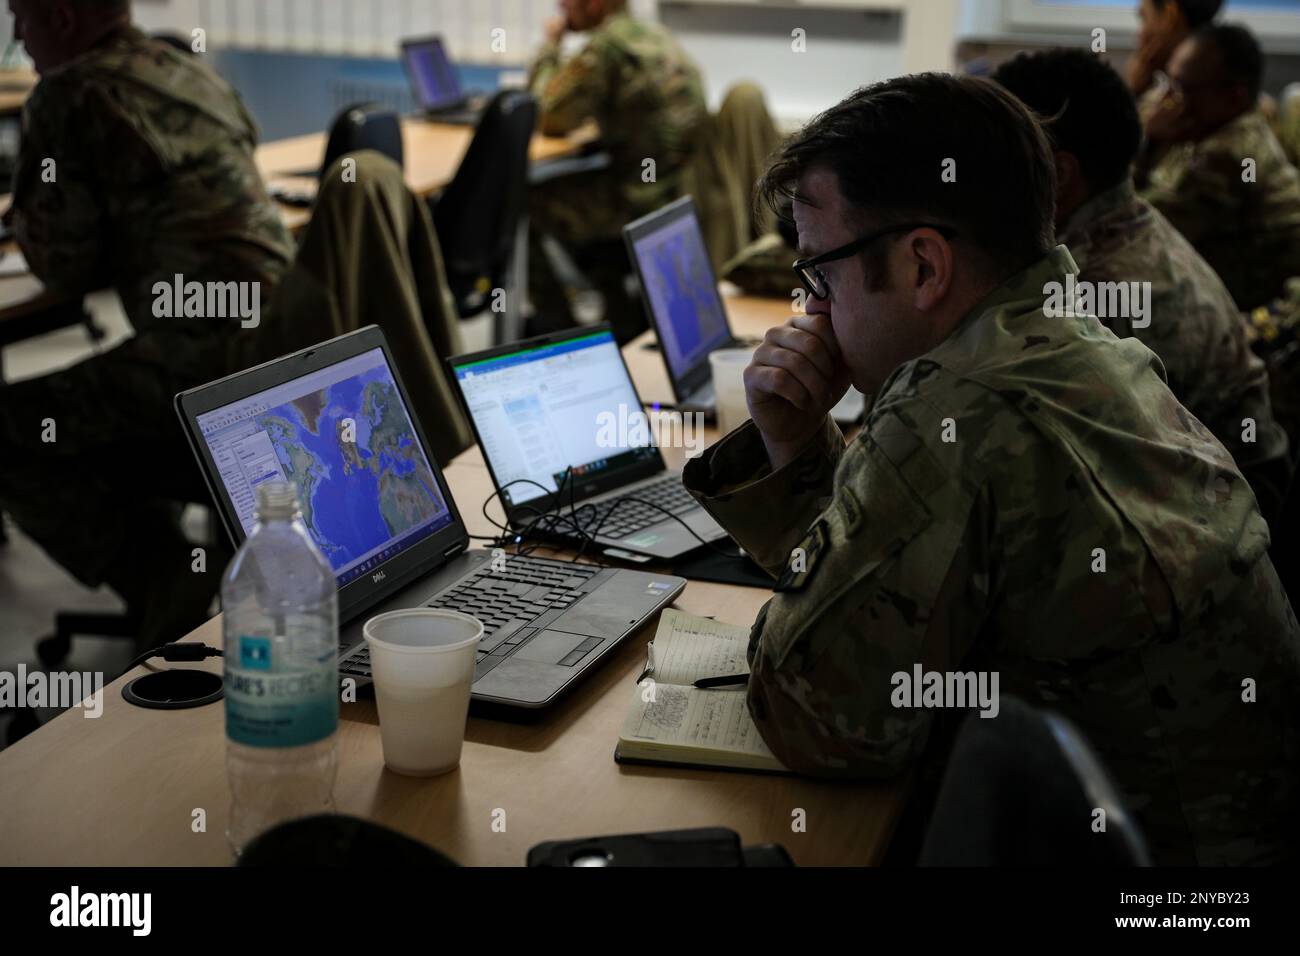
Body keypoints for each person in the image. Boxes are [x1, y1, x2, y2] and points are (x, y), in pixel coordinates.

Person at [681, 73, 1300, 865]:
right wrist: (795, 442)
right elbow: (890, 607)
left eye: (819, 277)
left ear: (924, 267)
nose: (813, 313)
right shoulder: (1069, 337)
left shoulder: (965, 404)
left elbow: (822, 719)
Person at [0, 0, 295, 651]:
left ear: (66, 19)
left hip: (204, 366)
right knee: (98, 400)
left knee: (13, 428)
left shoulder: (69, 93)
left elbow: (63, 267)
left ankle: (164, 577)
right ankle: (176, 563)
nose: (18, 33)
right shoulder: (182, 65)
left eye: (23, 16)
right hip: (289, 347)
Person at [992, 48, 1291, 524]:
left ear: (1059, 173)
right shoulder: (1130, 224)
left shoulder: (1091, 294)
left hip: (1219, 520)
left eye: (991, 153)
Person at [526, 0, 705, 340]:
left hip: (635, 200)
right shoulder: (654, 35)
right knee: (583, 184)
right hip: (673, 191)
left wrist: (550, 46)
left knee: (523, 202)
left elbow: (547, 113)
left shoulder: (607, 46)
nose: (560, 6)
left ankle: (558, 328)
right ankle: (620, 317)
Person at [1136, 23, 1300, 311]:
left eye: (1182, 89)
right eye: (1167, 83)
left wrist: (1147, 142)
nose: (1167, 102)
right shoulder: (1216, 124)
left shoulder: (1227, 157)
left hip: (1269, 308)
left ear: (1233, 97)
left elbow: (1138, 230)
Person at [1126, 0, 1223, 110]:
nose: (1140, 35)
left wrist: (1131, 93)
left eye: (1144, 17)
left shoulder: (1171, 111)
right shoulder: (1221, 88)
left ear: (1170, 16)